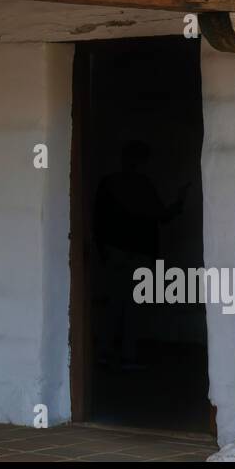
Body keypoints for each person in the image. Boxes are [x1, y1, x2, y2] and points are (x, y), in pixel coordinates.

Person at [93, 140, 189, 369]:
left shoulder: (109, 183)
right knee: (133, 307)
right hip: (137, 252)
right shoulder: (142, 185)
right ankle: (127, 356)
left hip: (115, 251)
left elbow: (98, 220)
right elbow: (161, 216)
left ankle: (105, 352)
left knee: (114, 304)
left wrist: (102, 249)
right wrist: (179, 203)